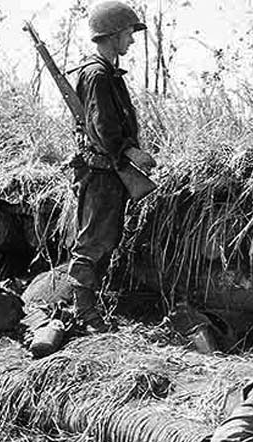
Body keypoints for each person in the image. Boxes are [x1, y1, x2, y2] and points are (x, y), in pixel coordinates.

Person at [70, 1, 156, 333]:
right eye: (128, 33)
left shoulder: (106, 72)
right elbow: (101, 126)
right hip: (101, 171)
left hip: (110, 170)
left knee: (107, 239)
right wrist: (131, 152)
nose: (131, 40)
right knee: (93, 241)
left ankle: (93, 309)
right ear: (113, 34)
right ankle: (85, 315)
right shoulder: (97, 74)